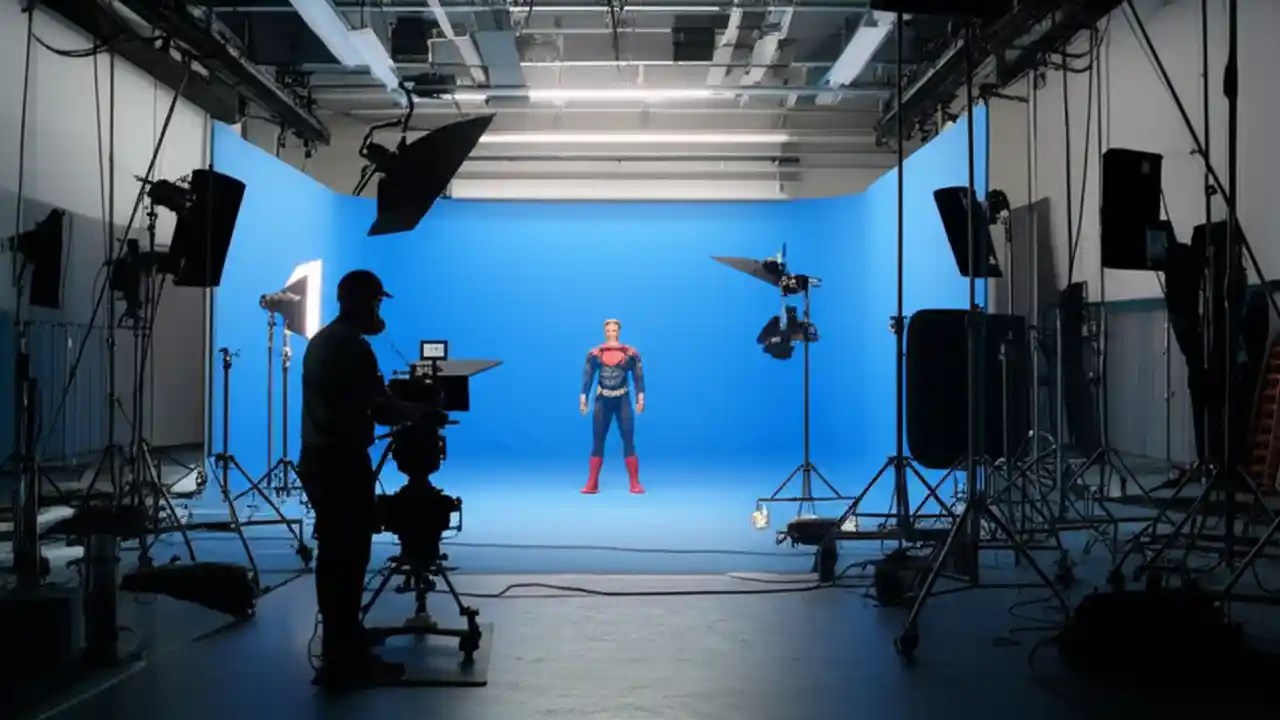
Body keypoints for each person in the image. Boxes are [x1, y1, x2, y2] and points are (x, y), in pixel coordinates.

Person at [298, 269, 423, 686]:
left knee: (338, 554)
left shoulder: (324, 341)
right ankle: (342, 657)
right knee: (347, 557)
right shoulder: (352, 348)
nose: (378, 311)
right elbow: (380, 407)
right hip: (340, 463)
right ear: (363, 302)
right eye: (377, 303)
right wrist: (420, 412)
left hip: (320, 460)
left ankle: (344, 635)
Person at [579, 318, 646, 494]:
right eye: (608, 330)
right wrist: (583, 396)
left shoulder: (630, 354)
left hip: (622, 399)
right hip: (602, 400)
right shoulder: (595, 354)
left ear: (619, 332)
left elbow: (638, 377)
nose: (611, 333)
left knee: (628, 439)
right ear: (604, 332)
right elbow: (588, 376)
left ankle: (635, 482)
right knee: (598, 440)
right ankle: (592, 482)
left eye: (614, 330)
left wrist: (640, 397)